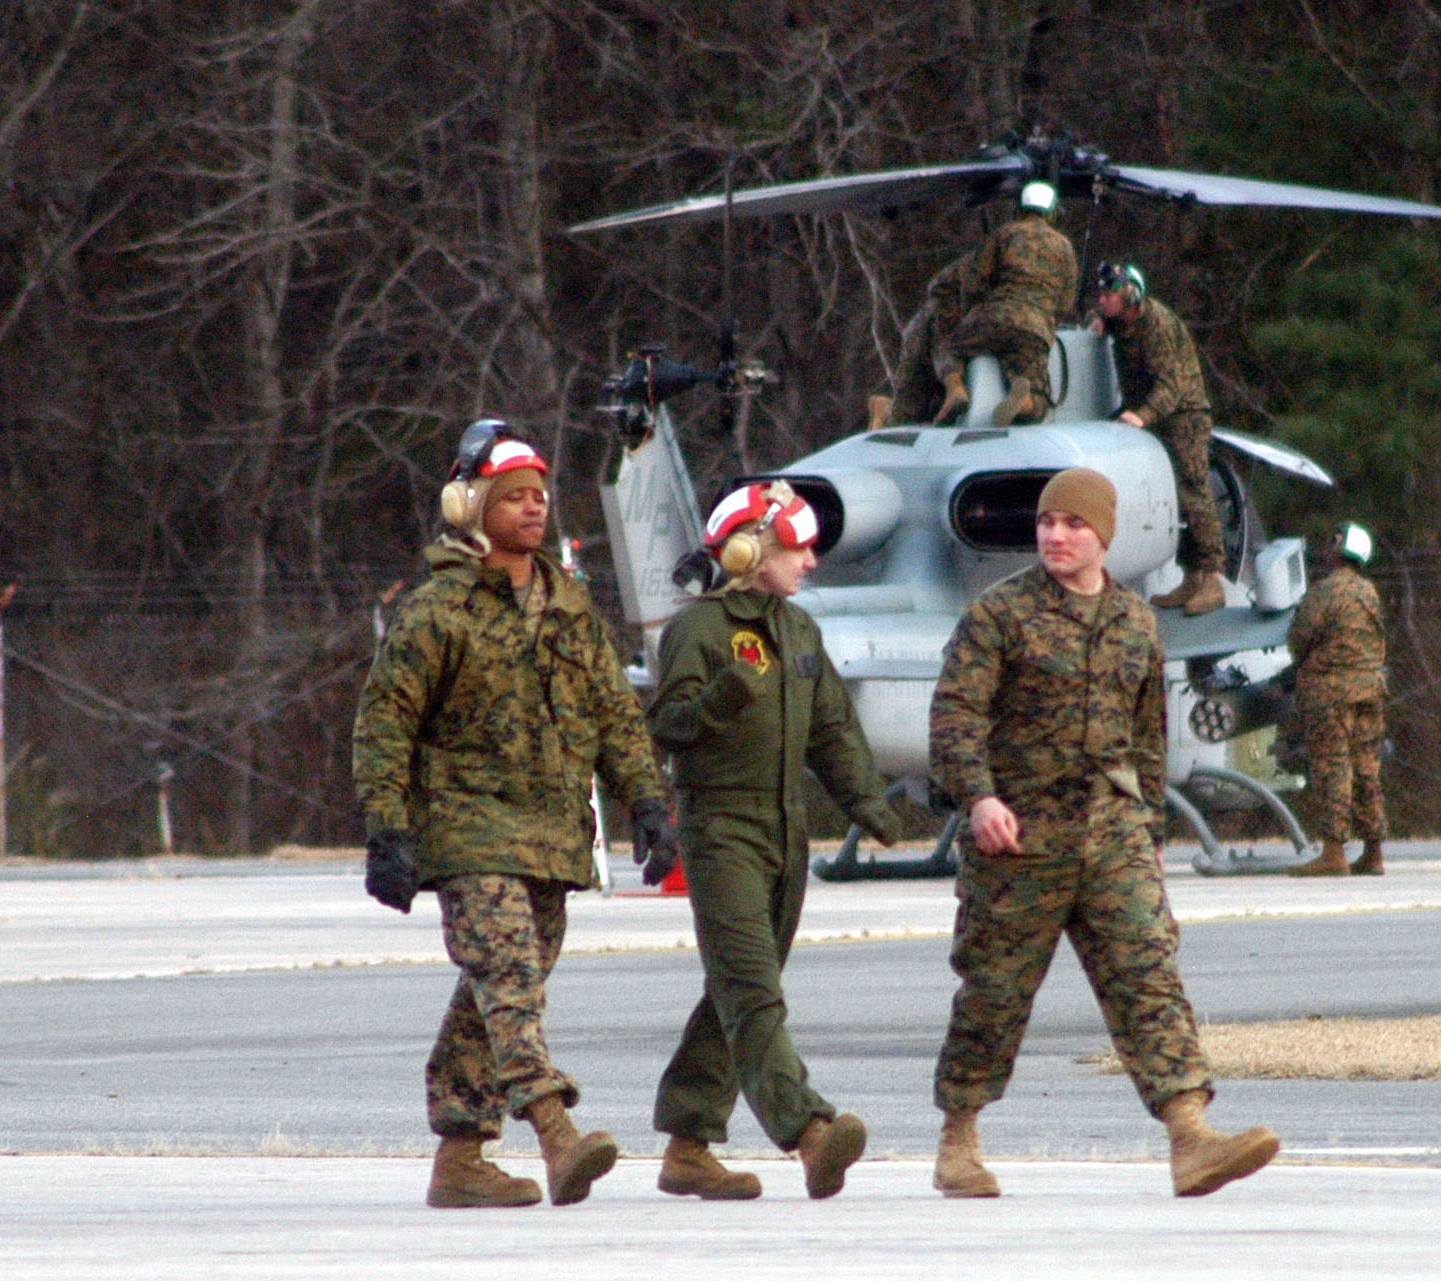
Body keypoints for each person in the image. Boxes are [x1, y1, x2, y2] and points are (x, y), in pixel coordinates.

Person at [926, 467, 1281, 1199]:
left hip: (1112, 833)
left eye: (1074, 525)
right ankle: (958, 1138)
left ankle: (1191, 1136)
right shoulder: (1000, 615)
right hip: (1020, 839)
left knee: (1148, 974)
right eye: (1048, 523)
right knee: (995, 992)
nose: (1057, 536)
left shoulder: (1135, 623)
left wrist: (1150, 827)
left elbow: (1147, 737)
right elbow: (955, 717)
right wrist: (980, 798)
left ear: (1105, 537)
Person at [353, 420, 678, 1209]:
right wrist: (388, 825)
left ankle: (460, 1158)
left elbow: (612, 712)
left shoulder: (569, 605)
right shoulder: (439, 610)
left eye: (541, 496)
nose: (535, 509)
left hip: (553, 836)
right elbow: (386, 718)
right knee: (510, 977)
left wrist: (647, 801)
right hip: (468, 831)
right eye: (516, 497)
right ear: (473, 506)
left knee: (496, 994)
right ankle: (554, 1132)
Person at [646, 481, 905, 1201]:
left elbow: (831, 731)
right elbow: (665, 728)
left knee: (737, 990)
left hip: (786, 834)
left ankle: (688, 1143)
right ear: (749, 550)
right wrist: (721, 698)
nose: (811, 563)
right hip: (721, 828)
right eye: (799, 548)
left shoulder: (798, 632)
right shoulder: (696, 631)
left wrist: (870, 805)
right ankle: (811, 1132)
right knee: (754, 993)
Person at [1090, 262, 1224, 617]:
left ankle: (1213, 579)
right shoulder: (1123, 322)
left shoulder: (1157, 325)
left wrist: (1142, 416)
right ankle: (1191, 577)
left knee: (1194, 493)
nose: (1102, 300)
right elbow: (1108, 320)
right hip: (1151, 415)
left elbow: (1171, 388)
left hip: (1182, 416)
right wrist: (1102, 322)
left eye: (1109, 295)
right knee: (1173, 497)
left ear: (1130, 295)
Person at [1284, 521, 1388, 878]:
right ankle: (1374, 852)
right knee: (1367, 768)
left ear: (1341, 549)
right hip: (1370, 691)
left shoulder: (1325, 591)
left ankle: (1333, 852)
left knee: (1333, 767)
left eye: (1333, 540)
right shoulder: (1369, 592)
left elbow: (1298, 638)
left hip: (1331, 694)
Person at [934, 180, 1079, 428]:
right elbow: (1065, 303)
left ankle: (956, 389)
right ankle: (1025, 402)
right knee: (1040, 402)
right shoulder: (1064, 247)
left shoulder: (1005, 234)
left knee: (948, 347)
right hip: (1034, 331)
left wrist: (972, 309)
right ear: (1053, 212)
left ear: (1020, 208)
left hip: (994, 318)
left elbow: (975, 280)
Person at [870, 247, 985, 429]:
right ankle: (884, 410)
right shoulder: (945, 308)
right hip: (925, 344)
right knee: (905, 416)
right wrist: (953, 382)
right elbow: (942, 347)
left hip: (947, 335)